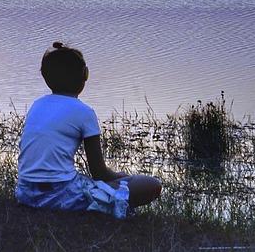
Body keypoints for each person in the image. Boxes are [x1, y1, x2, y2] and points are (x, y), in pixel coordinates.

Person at [15, 42, 162, 217]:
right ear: (84, 75)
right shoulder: (84, 112)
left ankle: (104, 200)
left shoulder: (37, 105)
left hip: (25, 193)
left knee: (100, 182)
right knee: (152, 184)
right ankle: (102, 205)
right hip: (61, 195)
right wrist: (119, 177)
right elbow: (99, 172)